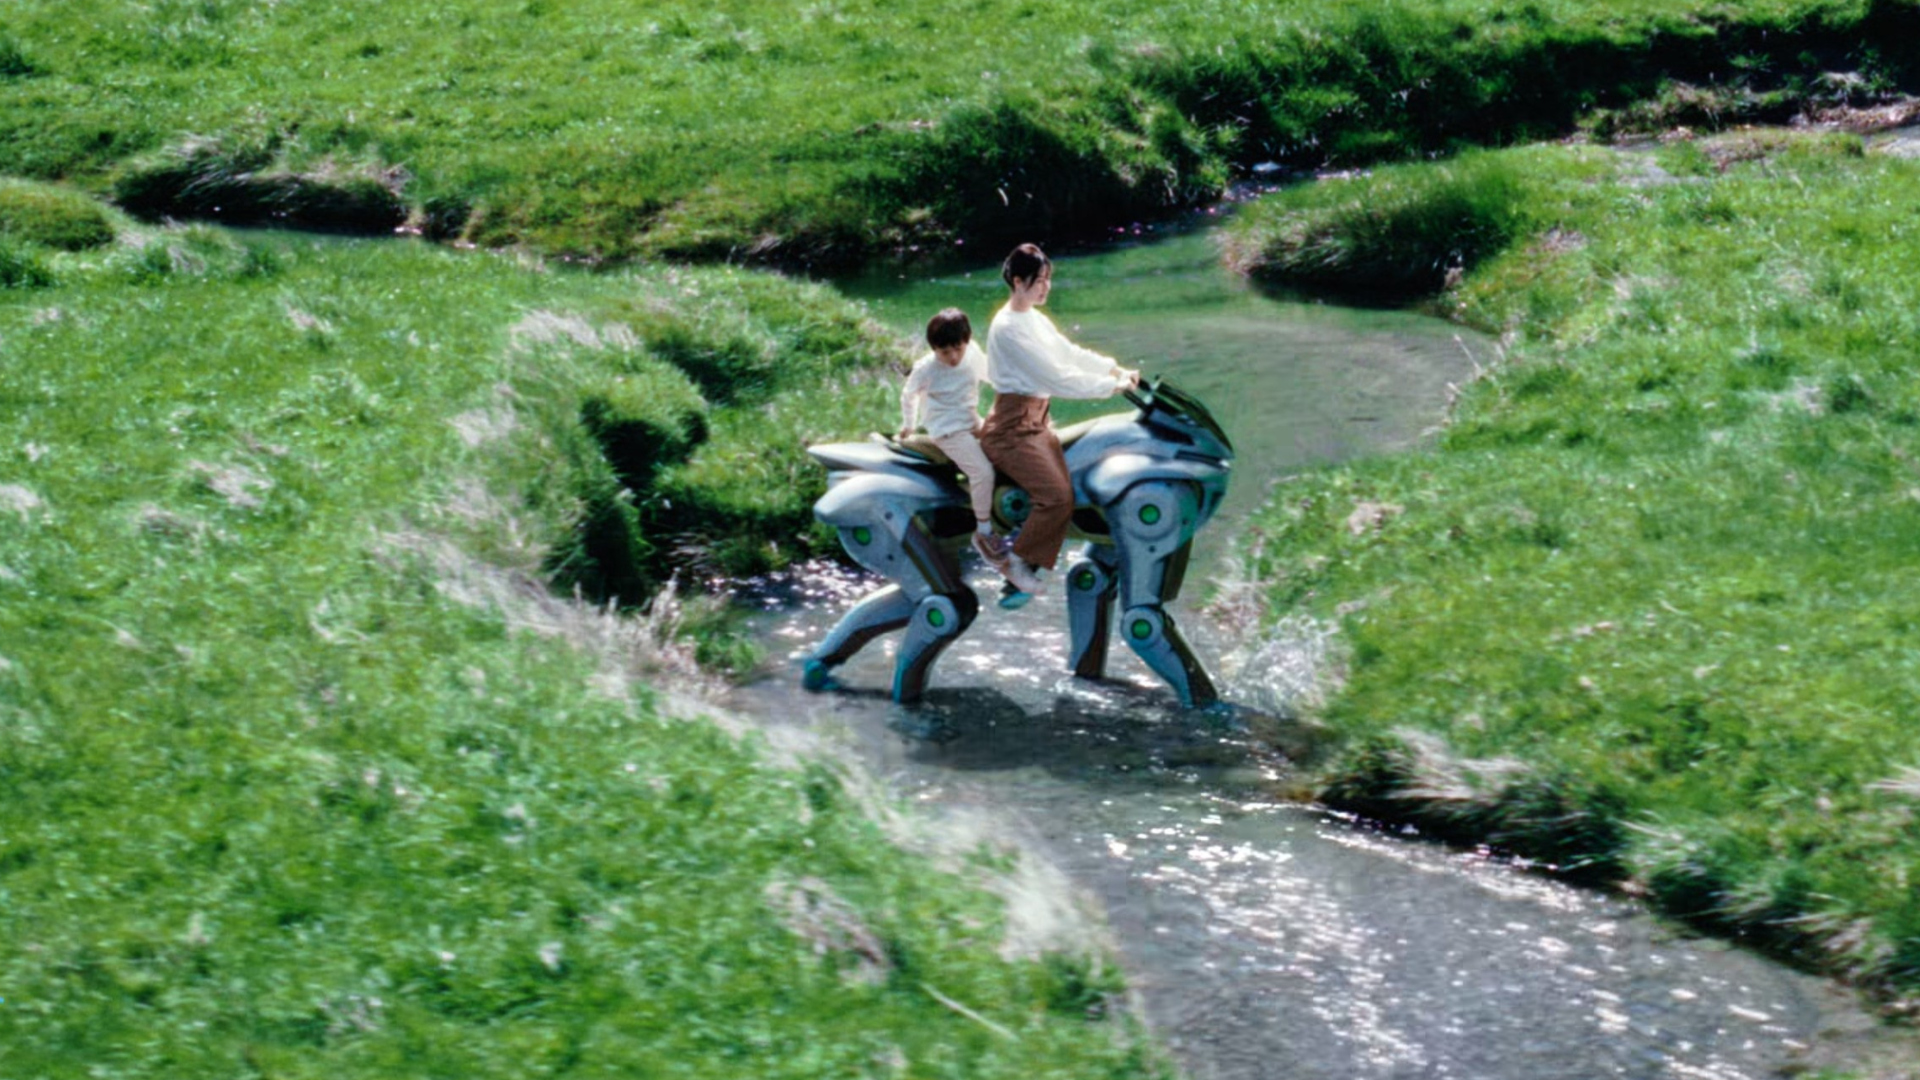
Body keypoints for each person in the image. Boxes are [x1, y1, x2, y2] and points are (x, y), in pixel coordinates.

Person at [980, 243, 1138, 598]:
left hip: (1037, 421)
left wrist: (1113, 367)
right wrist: (1110, 386)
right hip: (1012, 430)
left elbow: (1068, 353)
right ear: (1018, 282)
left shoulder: (1034, 319)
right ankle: (1015, 563)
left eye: (1048, 280)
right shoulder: (1007, 328)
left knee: (1082, 475)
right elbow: (1057, 378)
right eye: (1039, 281)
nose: (1046, 287)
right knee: (1056, 497)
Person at [897, 308, 1010, 572]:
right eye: (944, 352)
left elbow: (994, 377)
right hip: (947, 427)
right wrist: (909, 425)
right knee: (981, 471)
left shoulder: (972, 354)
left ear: (967, 341)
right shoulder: (926, 368)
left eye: (957, 349)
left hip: (971, 419)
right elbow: (908, 395)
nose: (953, 357)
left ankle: (1010, 517)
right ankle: (983, 533)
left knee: (1012, 450)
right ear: (935, 349)